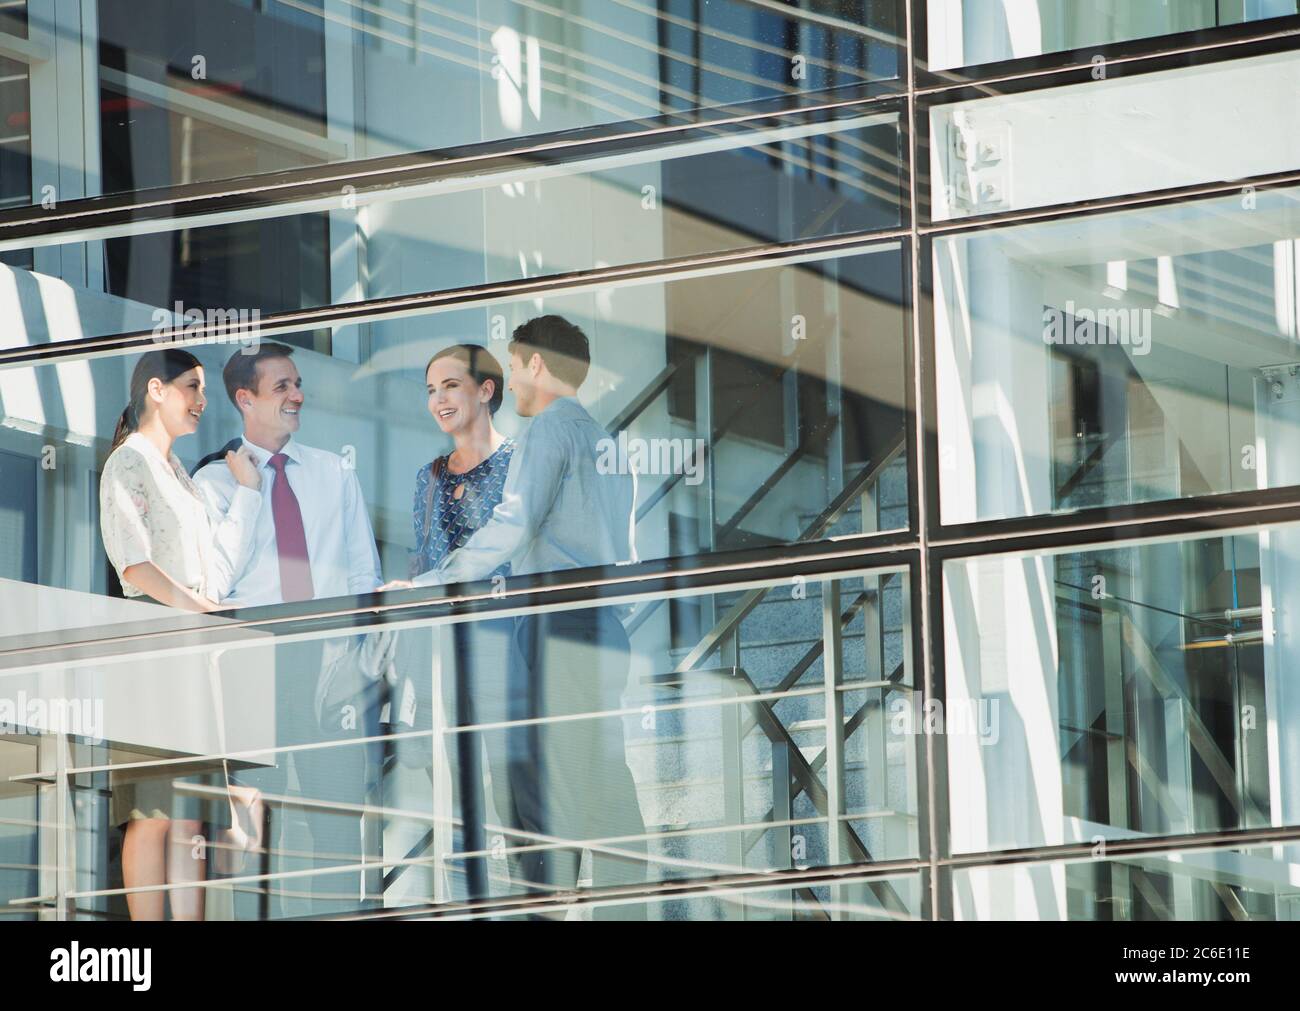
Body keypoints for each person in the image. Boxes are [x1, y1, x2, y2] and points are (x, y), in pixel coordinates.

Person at [390, 315, 647, 917]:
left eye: (515, 364)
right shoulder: (608, 440)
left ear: (535, 363)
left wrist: (429, 582)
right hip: (605, 623)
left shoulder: (548, 431)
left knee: (544, 778)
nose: (513, 385)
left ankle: (545, 907)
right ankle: (621, 898)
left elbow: (511, 526)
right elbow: (627, 550)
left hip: (555, 621)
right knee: (597, 765)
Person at [192, 342, 384, 916]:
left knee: (337, 814)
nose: (297, 395)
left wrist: (355, 655)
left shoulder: (333, 470)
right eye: (282, 387)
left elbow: (363, 570)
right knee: (252, 819)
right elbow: (214, 584)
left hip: (328, 660)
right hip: (255, 657)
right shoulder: (211, 482)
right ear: (244, 399)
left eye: (298, 383)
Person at [99, 348, 264, 920]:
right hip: (150, 653)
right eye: (191, 387)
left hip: (190, 655)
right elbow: (135, 566)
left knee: (187, 811)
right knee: (151, 814)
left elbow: (209, 569)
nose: (201, 400)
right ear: (155, 390)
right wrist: (201, 609)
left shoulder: (177, 476)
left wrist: (247, 495)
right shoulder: (129, 462)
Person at [409, 344, 515, 898]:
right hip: (441, 652)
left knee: (512, 782)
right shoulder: (427, 477)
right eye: (431, 389)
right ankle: (466, 899)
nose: (439, 400)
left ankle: (527, 896)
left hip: (504, 645)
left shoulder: (517, 464)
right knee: (452, 786)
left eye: (450, 385)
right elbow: (423, 561)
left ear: (485, 390)